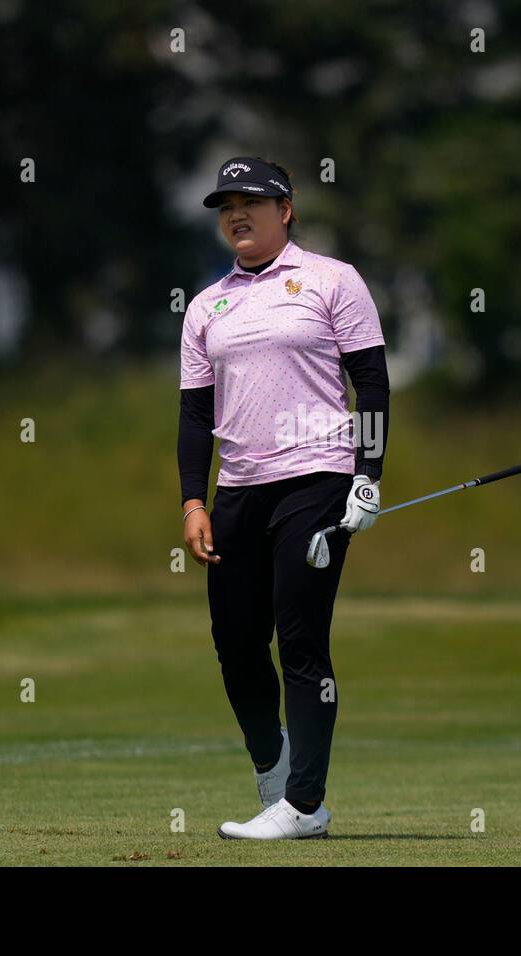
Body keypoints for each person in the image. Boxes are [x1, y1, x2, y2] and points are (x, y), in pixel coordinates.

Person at [178, 156, 390, 839]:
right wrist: (192, 502)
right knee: (236, 645)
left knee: (300, 641)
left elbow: (372, 385)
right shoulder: (206, 305)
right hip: (238, 490)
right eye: (225, 205)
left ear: (286, 209)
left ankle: (304, 805)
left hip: (317, 477)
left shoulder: (333, 280)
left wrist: (368, 474)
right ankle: (275, 780)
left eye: (252, 202)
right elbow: (193, 416)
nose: (236, 214)